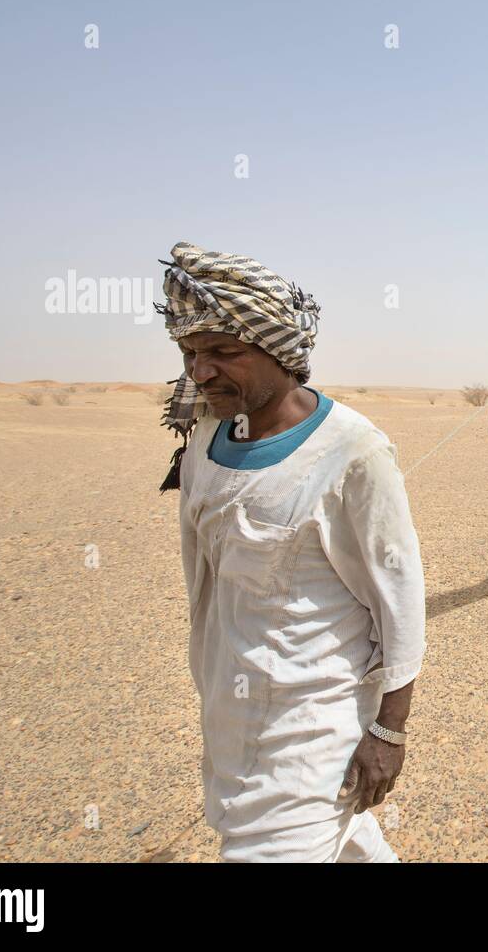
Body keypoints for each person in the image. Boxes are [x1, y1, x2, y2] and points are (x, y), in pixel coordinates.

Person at [156, 241, 425, 862]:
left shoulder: (354, 454)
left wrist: (387, 730)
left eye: (225, 351)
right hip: (229, 718)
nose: (201, 372)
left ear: (278, 350)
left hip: (311, 739)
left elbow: (402, 602)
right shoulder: (203, 439)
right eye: (191, 353)